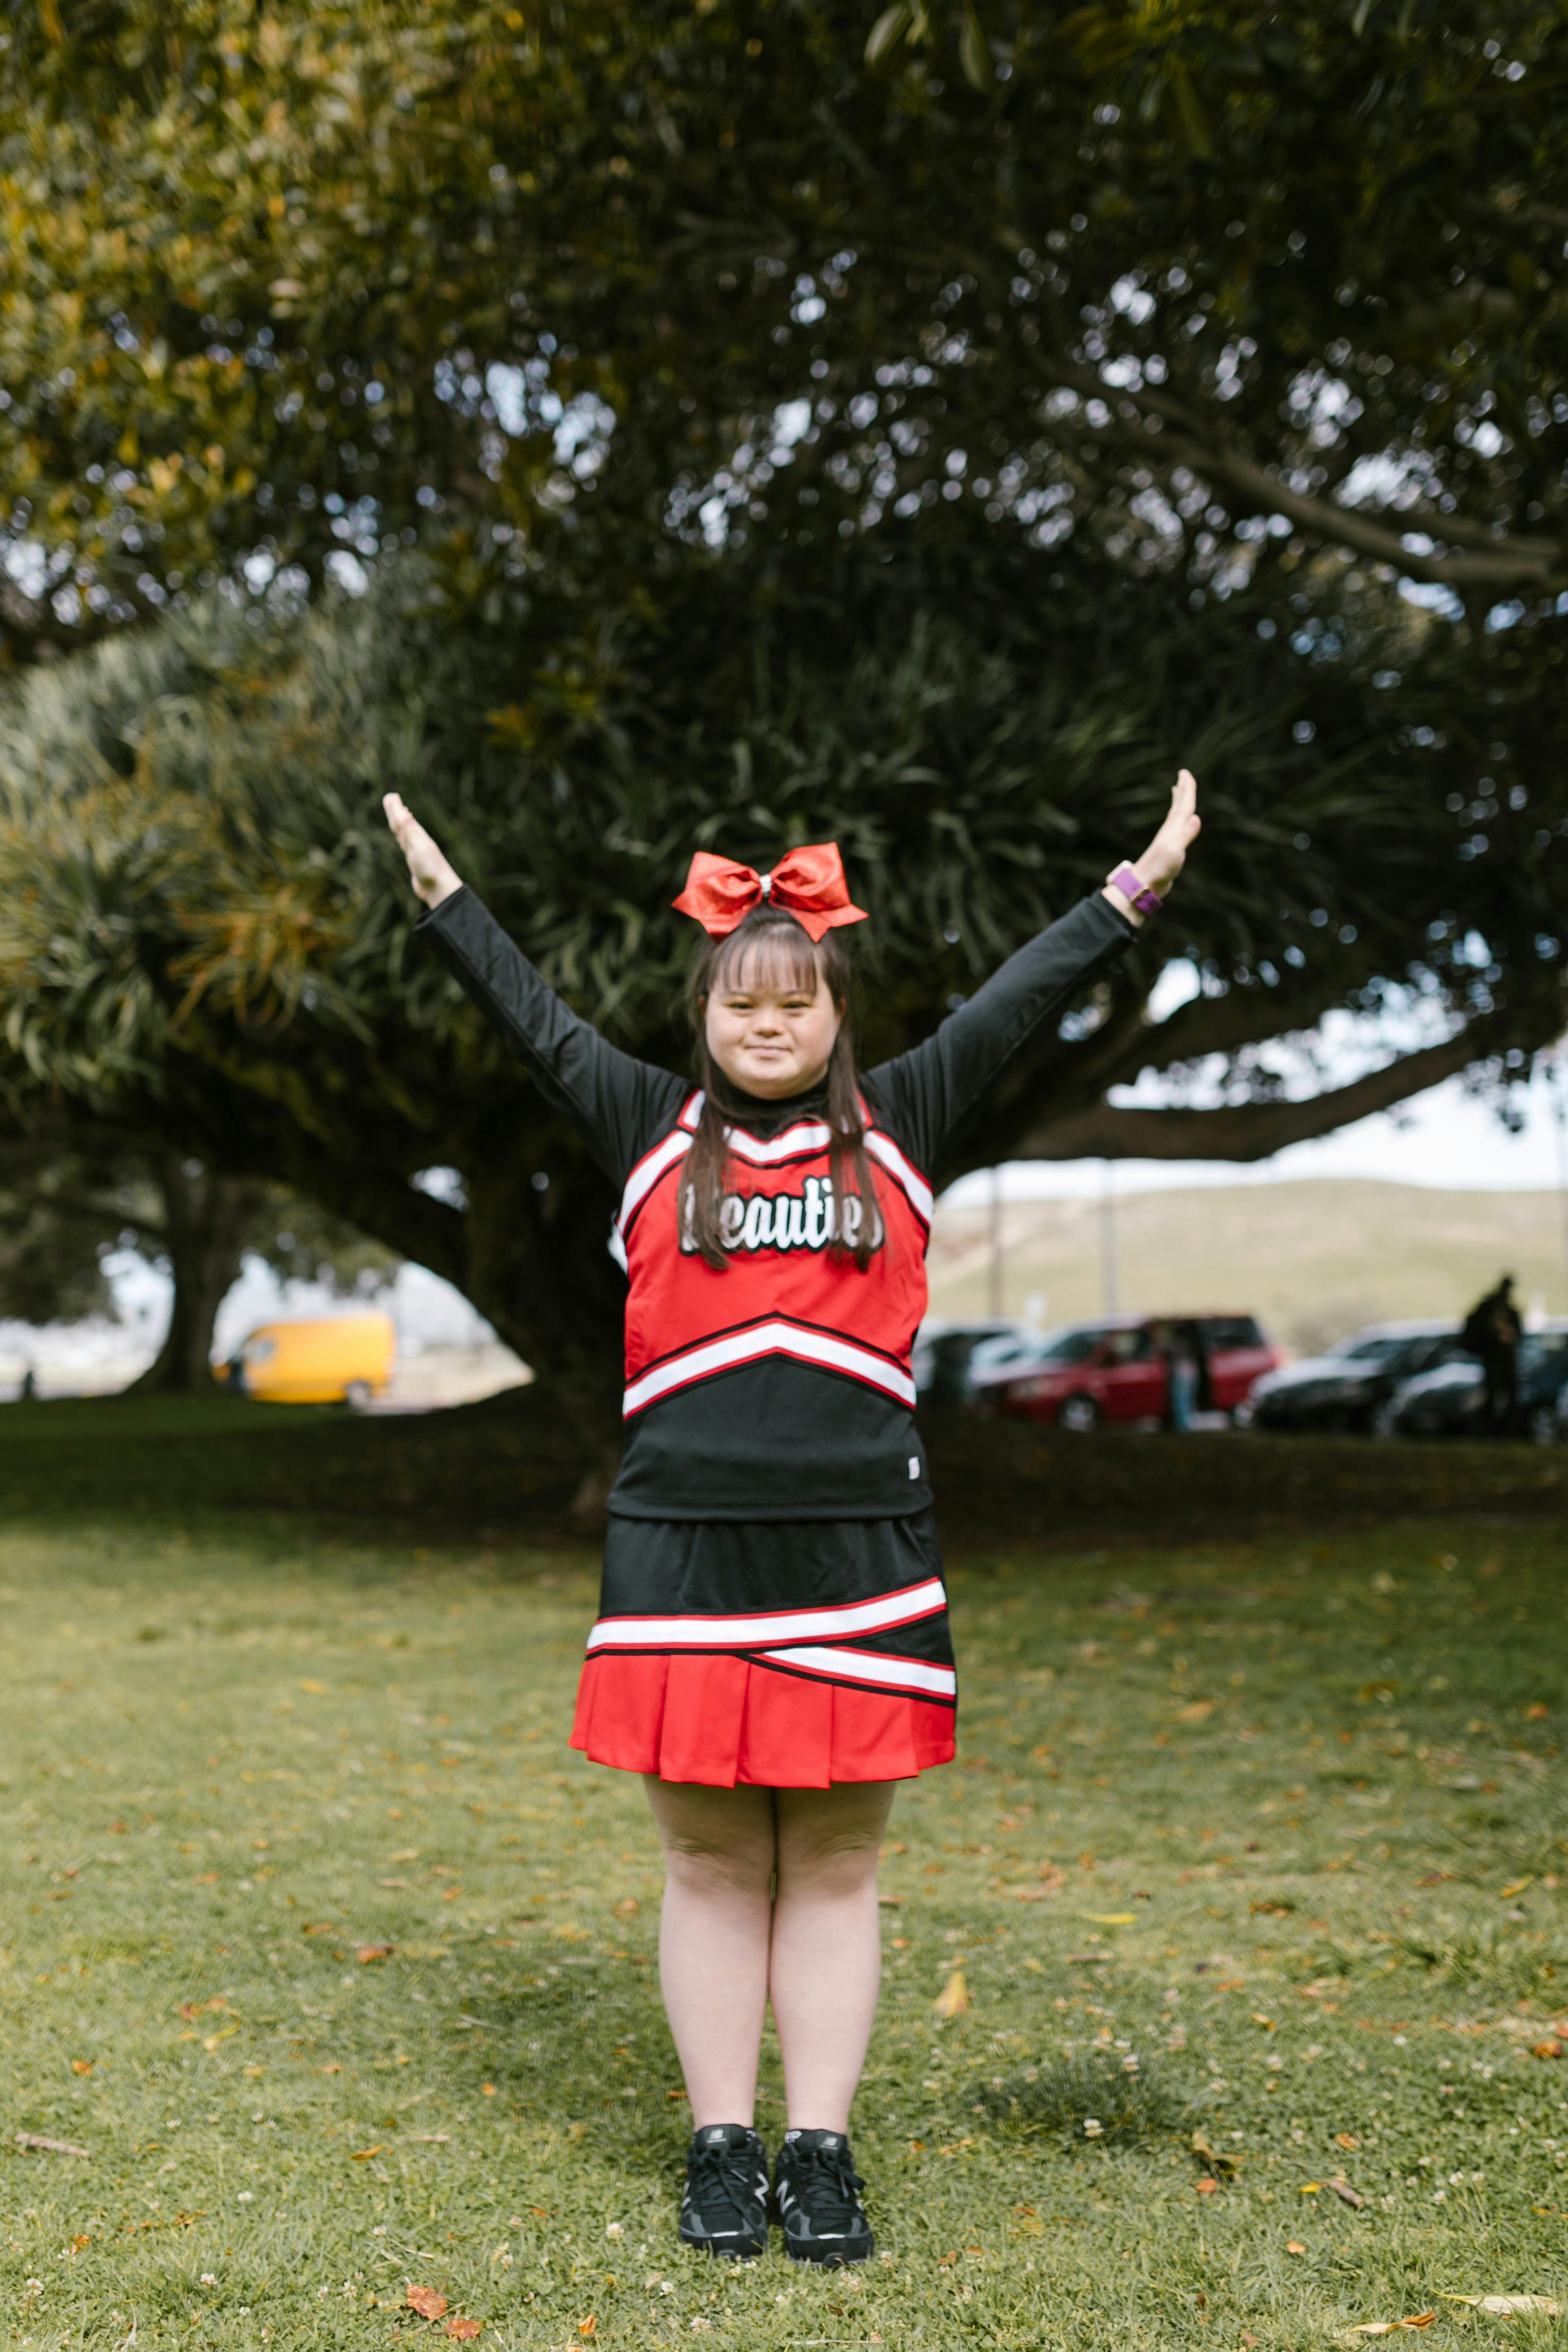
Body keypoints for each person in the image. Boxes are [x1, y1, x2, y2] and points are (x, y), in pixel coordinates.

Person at [383, 773, 1201, 2264]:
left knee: (832, 1863)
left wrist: (1134, 887)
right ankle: (718, 2142)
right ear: (707, 1014)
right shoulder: (640, 1123)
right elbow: (531, 1015)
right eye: (742, 1003)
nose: (767, 1025)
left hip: (858, 1554)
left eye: (796, 1001)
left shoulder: (909, 1116)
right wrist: (446, 901)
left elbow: (1025, 994)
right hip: (679, 1550)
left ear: (833, 1012)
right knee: (705, 1861)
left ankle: (818, 2149)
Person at [1462, 1274, 1523, 1436]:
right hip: (1494, 1355)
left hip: (1500, 1355)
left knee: (1504, 1392)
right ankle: (1491, 1427)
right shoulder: (1492, 1308)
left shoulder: (1501, 1308)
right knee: (1494, 1391)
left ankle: (1503, 1427)